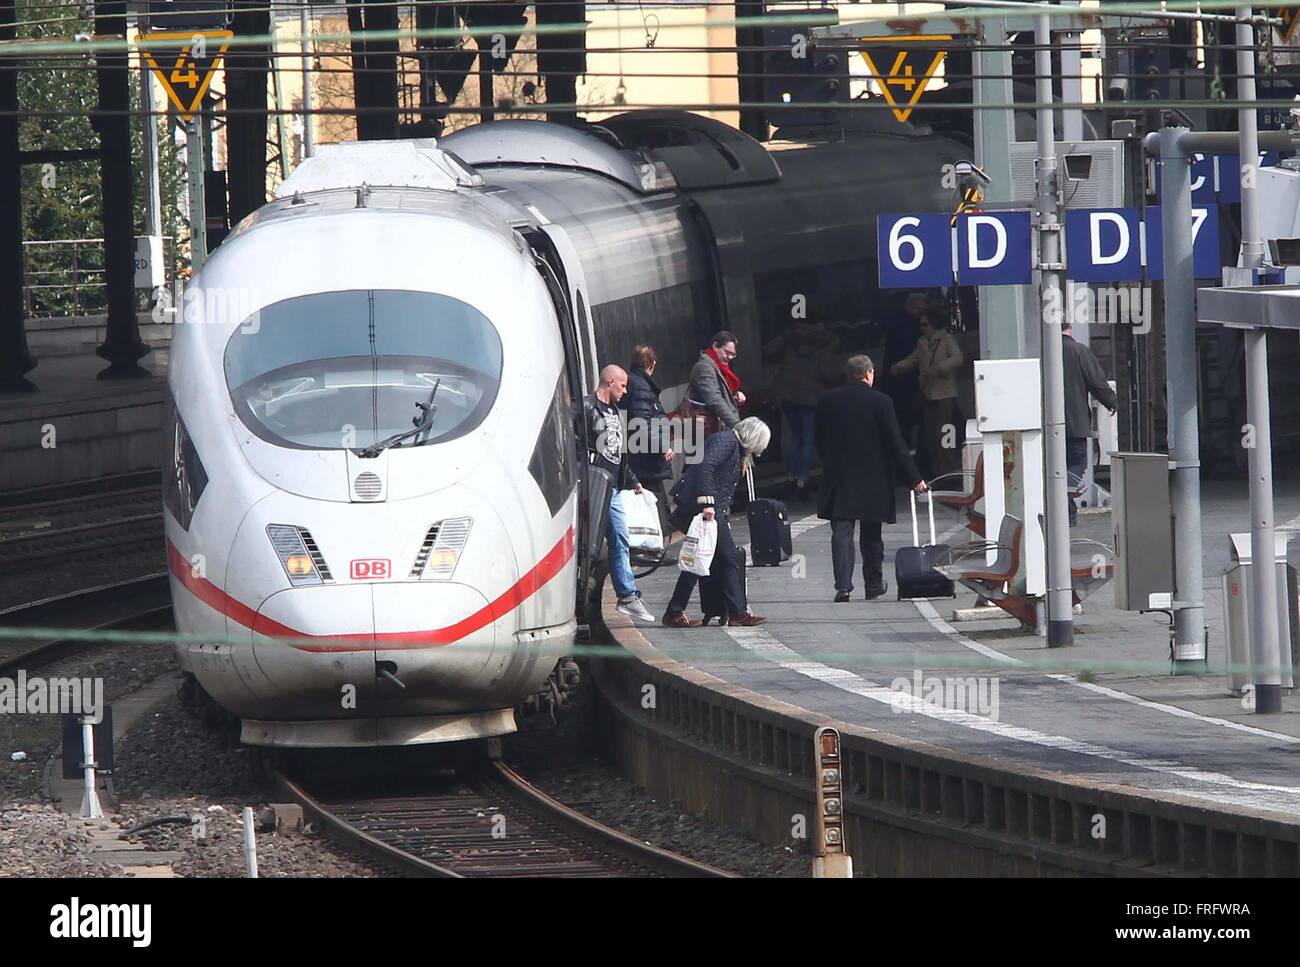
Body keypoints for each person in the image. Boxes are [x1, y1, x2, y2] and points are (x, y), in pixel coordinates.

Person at [816, 355, 927, 602]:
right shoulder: (881, 402)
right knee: (871, 534)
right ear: (869, 374)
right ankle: (873, 584)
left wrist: (828, 463)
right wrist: (915, 478)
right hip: (873, 478)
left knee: (841, 532)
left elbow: (820, 439)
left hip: (839, 476)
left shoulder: (828, 401)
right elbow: (896, 444)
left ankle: (843, 586)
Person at [661, 417, 771, 628]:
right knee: (728, 557)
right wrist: (708, 502)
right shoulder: (727, 441)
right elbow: (706, 467)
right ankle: (737, 613)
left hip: (712, 511)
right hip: (708, 511)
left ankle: (675, 611)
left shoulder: (730, 443)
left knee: (698, 561)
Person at [585, 364, 656, 623]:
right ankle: (585, 589)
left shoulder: (614, 411)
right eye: (623, 385)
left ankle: (627, 596)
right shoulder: (586, 408)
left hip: (612, 488)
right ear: (611, 381)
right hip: (592, 487)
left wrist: (633, 481)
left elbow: (617, 455)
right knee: (589, 546)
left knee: (620, 538)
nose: (625, 391)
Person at [764, 320, 839, 500]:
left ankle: (790, 476)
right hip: (810, 397)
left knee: (795, 437)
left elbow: (768, 350)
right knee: (808, 438)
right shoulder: (825, 342)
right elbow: (828, 372)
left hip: (788, 395)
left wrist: (785, 335)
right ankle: (802, 481)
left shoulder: (790, 339)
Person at [890, 312, 964, 483]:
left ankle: (951, 471)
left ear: (934, 324)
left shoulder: (946, 339)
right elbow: (913, 360)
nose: (923, 329)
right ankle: (938, 472)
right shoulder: (922, 343)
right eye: (921, 325)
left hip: (945, 393)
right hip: (928, 394)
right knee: (931, 436)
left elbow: (958, 358)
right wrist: (899, 367)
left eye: (926, 325)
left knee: (945, 434)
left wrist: (940, 367)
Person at [1062, 321, 1118, 527]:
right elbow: (1096, 381)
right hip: (1075, 422)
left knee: (1054, 467)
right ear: (1069, 327)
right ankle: (1065, 497)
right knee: (1077, 464)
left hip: (1047, 425)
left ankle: (1066, 513)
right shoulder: (1079, 351)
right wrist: (1111, 402)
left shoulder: (1044, 352)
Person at [622, 344, 675, 540]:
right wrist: (663, 447)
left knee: (652, 497)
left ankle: (656, 542)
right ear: (652, 364)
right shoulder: (641, 387)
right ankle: (655, 544)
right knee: (653, 498)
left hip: (642, 454)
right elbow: (642, 423)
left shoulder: (636, 384)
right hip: (646, 456)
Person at [878, 293, 928, 451]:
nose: (921, 314)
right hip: (902, 383)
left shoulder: (897, 324)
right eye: (919, 310)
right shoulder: (905, 328)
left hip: (910, 381)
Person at [686, 331, 745, 435]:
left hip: (716, 427)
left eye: (733, 355)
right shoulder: (704, 367)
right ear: (715, 346)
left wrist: (734, 398)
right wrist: (737, 425)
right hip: (705, 430)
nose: (730, 357)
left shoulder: (719, 367)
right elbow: (714, 399)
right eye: (727, 353)